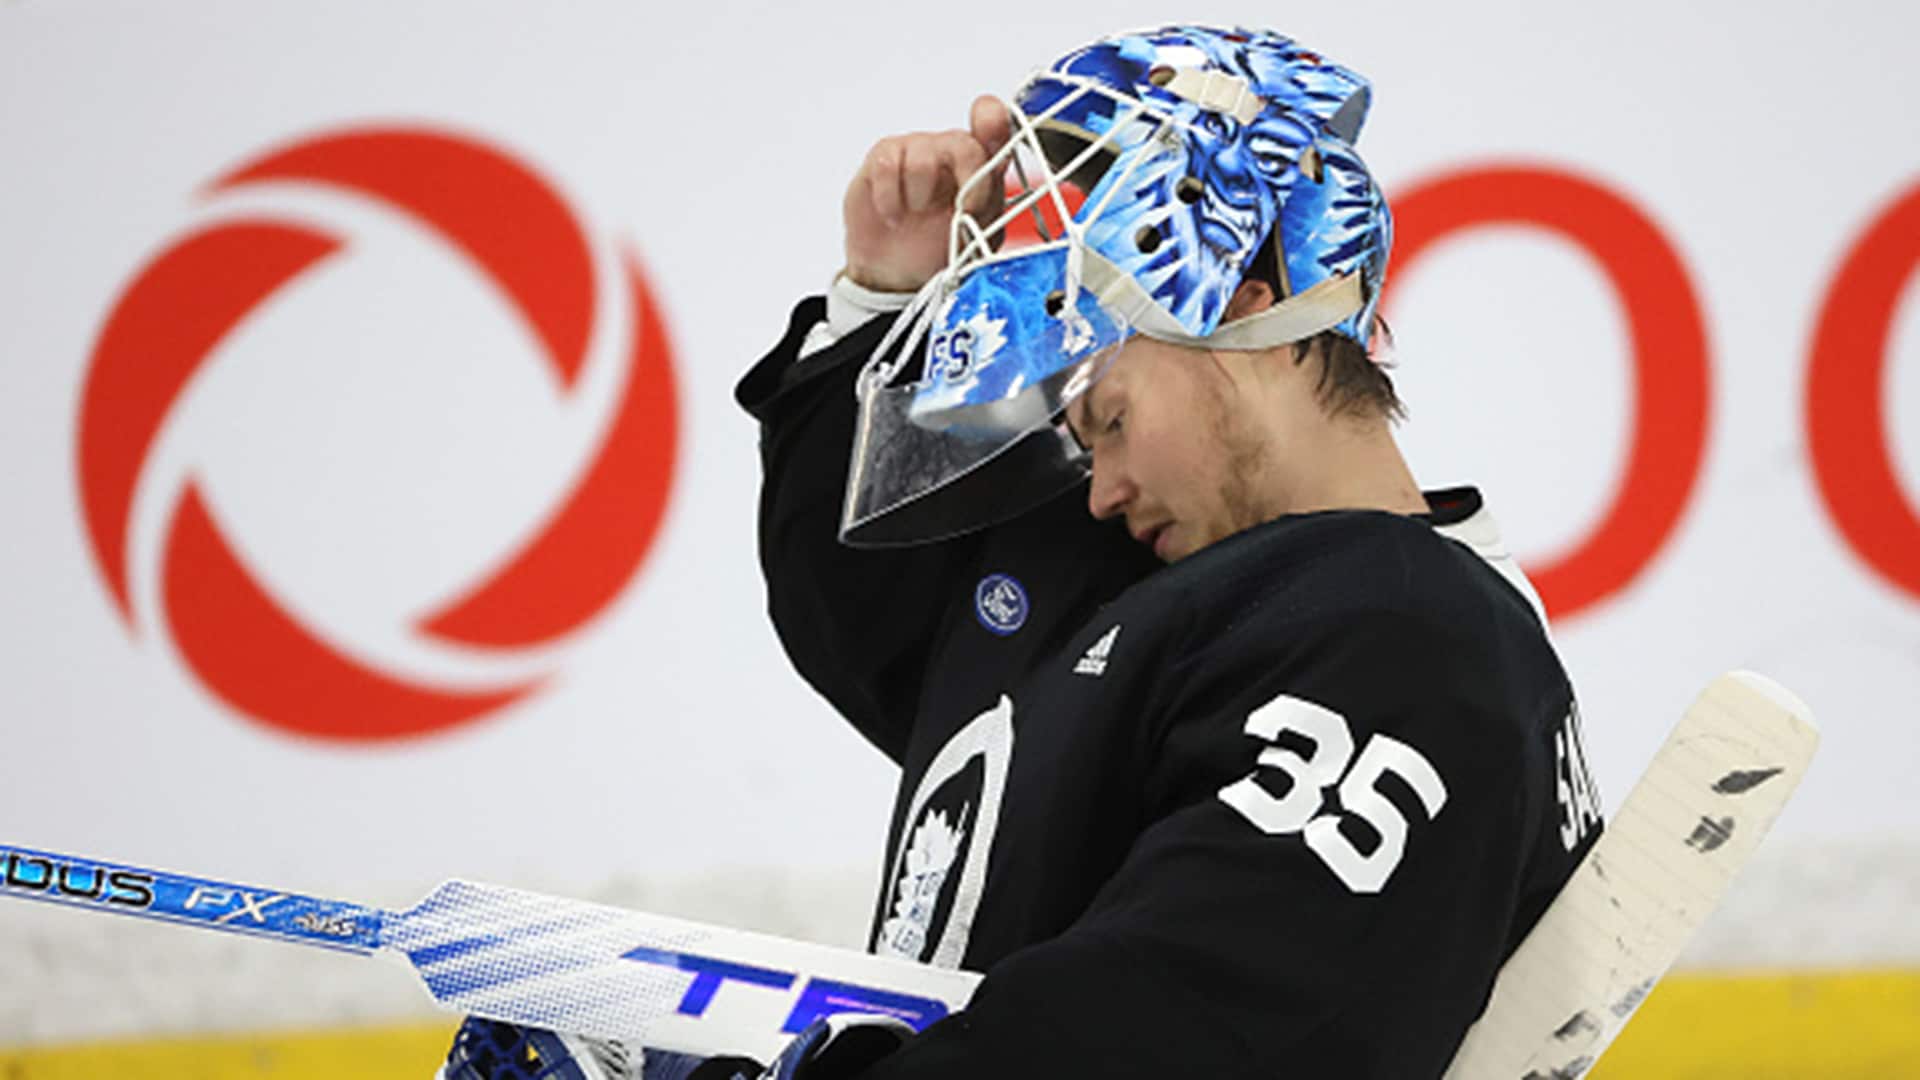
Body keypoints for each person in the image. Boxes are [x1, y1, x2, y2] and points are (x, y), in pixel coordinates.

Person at [444, 23, 1604, 1080]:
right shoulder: (1183, 580)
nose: (1096, 488)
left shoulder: (1405, 634)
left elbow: (1181, 1023)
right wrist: (874, 305)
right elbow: (877, 622)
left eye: (1104, 417)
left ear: (1244, 304)